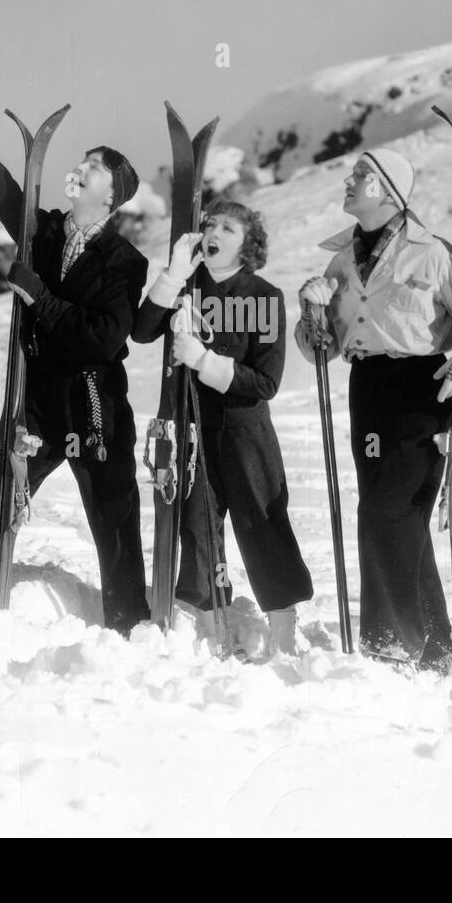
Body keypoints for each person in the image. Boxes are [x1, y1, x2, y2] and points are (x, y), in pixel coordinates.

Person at [0, 38, 150, 635]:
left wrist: (41, 297)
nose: (76, 171)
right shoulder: (43, 233)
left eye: (92, 167)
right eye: (79, 163)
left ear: (112, 193)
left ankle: (132, 630)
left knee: (113, 517)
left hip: (96, 401)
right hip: (37, 398)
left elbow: (103, 339)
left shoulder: (126, 262)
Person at [295, 148, 452, 672]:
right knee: (400, 518)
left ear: (389, 191)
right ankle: (433, 648)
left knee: (387, 511)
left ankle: (391, 642)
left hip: (421, 388)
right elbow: (323, 348)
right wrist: (311, 313)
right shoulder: (342, 261)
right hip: (368, 387)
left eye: (362, 175)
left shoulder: (430, 253)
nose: (350, 180)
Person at [132, 200, 313, 653]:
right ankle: (214, 633)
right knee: (197, 526)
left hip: (246, 429)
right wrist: (173, 273)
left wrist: (203, 360)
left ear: (247, 244)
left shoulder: (264, 296)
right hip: (194, 429)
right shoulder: (187, 287)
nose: (214, 231)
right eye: (210, 223)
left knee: (262, 522)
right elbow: (141, 330)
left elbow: (266, 381)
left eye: (228, 227)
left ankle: (283, 638)